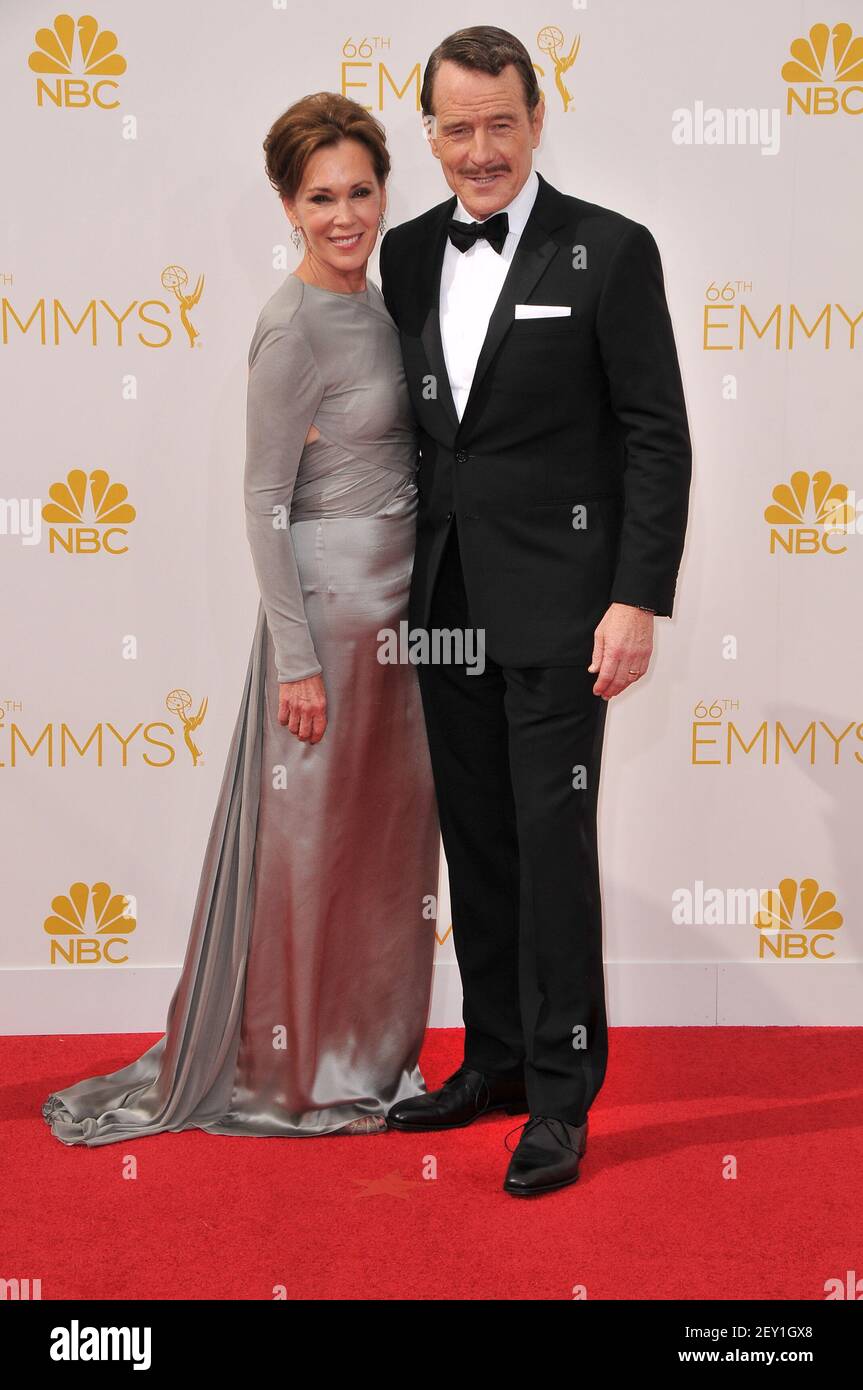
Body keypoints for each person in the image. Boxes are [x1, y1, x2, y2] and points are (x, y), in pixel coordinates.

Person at [41, 93, 440, 1147]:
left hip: (403, 621)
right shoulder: (292, 323)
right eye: (321, 197)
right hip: (329, 614)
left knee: (383, 849)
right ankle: (292, 1069)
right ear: (285, 203)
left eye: (360, 191)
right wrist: (295, 663)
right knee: (309, 847)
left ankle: (367, 1049)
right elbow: (264, 502)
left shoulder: (387, 301)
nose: (345, 215)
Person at [381, 27, 692, 1194]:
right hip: (445, 601)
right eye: (454, 128)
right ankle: (496, 1062)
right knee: (479, 846)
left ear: (535, 115)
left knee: (551, 851)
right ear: (431, 134)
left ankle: (559, 1100)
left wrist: (633, 598)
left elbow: (654, 435)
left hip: (566, 610)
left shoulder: (608, 250)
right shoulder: (408, 255)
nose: (477, 149)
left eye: (496, 123)